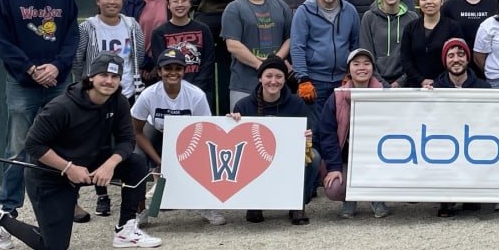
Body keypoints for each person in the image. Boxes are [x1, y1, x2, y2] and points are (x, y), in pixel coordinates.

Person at [0, 53, 159, 250]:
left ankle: (126, 230)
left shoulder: (118, 101)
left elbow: (127, 140)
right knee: (53, 247)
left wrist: (109, 165)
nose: (109, 81)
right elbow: (34, 145)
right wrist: (68, 168)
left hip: (88, 164)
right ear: (90, 77)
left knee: (135, 163)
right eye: (103, 75)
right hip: (51, 174)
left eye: (115, 77)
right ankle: (1, 220)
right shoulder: (62, 107)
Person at [0, 0, 79, 224]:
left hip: (57, 81)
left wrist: (56, 66)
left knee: (63, 144)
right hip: (22, 84)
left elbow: (71, 37)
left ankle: (65, 202)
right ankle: (9, 205)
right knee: (18, 146)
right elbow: (1, 42)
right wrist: (30, 69)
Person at [70, 0, 145, 221]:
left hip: (126, 93)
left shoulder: (132, 26)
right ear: (98, 0)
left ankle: (130, 195)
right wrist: (89, 85)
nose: (112, 2)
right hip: (97, 96)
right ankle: (101, 194)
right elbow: (77, 59)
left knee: (126, 143)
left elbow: (139, 55)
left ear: (123, 1)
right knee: (98, 144)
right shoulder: (88, 27)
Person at [129, 48, 225, 226]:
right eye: (167, 68)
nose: (173, 72)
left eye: (178, 68)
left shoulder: (196, 95)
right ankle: (140, 210)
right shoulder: (148, 95)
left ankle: (206, 204)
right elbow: (136, 132)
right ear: (159, 71)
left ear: (184, 71)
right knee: (136, 159)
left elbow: (206, 131)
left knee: (209, 154)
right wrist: (159, 161)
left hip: (187, 135)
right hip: (156, 131)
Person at [228, 55, 322, 225]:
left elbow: (306, 138)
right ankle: (254, 203)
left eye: (279, 76)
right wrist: (231, 122)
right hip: (254, 157)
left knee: (313, 157)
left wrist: (307, 137)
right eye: (268, 76)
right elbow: (234, 144)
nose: (273, 81)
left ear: (285, 80)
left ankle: (297, 203)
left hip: (286, 155)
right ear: (260, 78)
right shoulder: (243, 106)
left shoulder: (297, 104)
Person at [317, 48, 389, 219]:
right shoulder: (337, 96)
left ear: (372, 68)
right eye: (356, 64)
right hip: (346, 159)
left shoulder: (385, 93)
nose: (361, 68)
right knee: (334, 187)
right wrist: (334, 168)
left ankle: (377, 198)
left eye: (366, 63)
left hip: (377, 159)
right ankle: (349, 197)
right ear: (349, 70)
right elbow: (327, 135)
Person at [422, 38, 490, 218]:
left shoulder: (484, 87)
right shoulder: (435, 89)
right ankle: (447, 198)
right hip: (446, 142)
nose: (456, 59)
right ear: (445, 61)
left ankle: (472, 194)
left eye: (461, 55)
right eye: (450, 56)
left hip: (474, 139)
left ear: (467, 59)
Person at [290, 0, 362, 114]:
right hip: (313, 82)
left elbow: (355, 46)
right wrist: (303, 79)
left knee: (341, 129)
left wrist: (350, 74)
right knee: (314, 131)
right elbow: (297, 47)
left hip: (342, 81)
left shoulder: (350, 11)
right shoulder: (304, 12)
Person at [222, 0, 293, 111]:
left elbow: (290, 38)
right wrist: (260, 65)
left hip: (277, 85)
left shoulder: (281, 6)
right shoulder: (234, 8)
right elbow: (233, 44)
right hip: (244, 85)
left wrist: (276, 60)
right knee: (242, 131)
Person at [143, 0, 217, 111]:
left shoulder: (203, 29)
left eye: (184, 0)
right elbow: (160, 65)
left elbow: (208, 62)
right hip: (172, 92)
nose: (180, 4)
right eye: (175, 1)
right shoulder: (159, 33)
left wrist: (195, 89)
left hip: (201, 90)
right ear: (168, 5)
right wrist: (179, 89)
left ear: (190, 3)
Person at [360, 0, 418, 87]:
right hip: (376, 82)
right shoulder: (369, 18)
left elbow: (416, 55)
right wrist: (380, 82)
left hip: (406, 82)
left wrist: (401, 81)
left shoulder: (413, 18)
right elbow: (366, 53)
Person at [400, 0, 460, 87]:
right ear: (419, 2)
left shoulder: (453, 27)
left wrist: (438, 82)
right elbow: (406, 59)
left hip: (445, 86)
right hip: (415, 86)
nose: (428, 2)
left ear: (442, 0)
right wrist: (421, 80)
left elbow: (458, 58)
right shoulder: (410, 28)